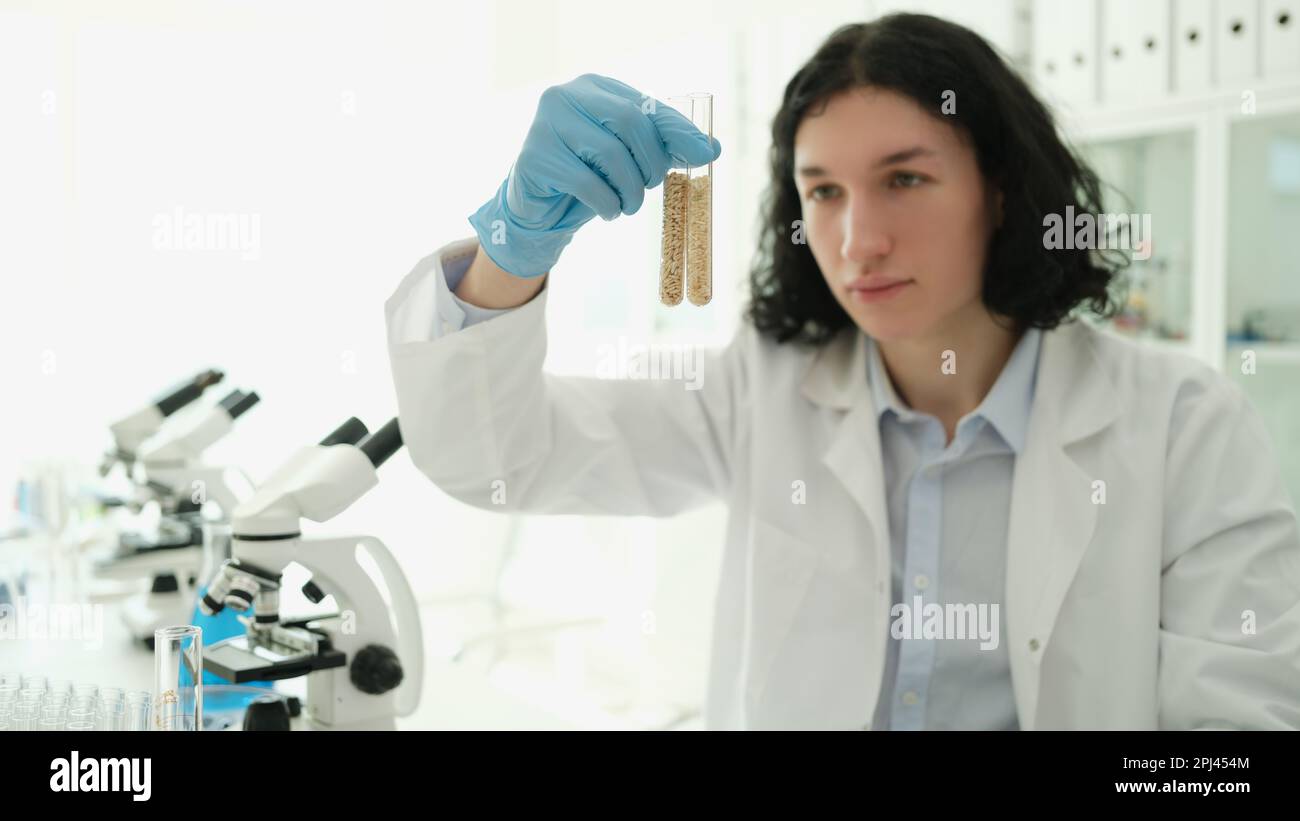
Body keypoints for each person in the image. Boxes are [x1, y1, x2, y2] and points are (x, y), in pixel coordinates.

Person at [385, 14, 1300, 729]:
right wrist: (513, 244)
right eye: (823, 190)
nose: (857, 239)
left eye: (905, 178)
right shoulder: (763, 388)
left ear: (1004, 190)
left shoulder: (1182, 423)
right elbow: (496, 459)